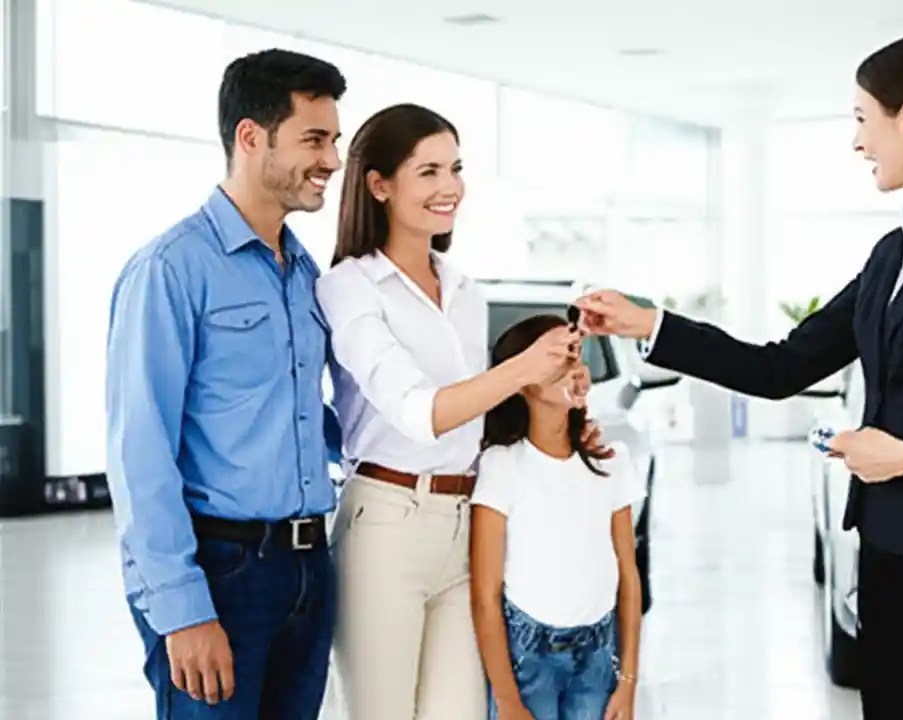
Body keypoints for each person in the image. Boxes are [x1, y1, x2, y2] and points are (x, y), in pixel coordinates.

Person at [573, 34, 903, 720]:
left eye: (863, 119)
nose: (857, 142)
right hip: (888, 555)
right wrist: (651, 325)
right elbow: (781, 366)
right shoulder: (892, 252)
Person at [316, 103, 607, 719]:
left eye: (455, 168)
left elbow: (480, 422)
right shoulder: (351, 286)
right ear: (379, 184)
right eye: (428, 172)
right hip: (385, 527)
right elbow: (420, 412)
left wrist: (569, 436)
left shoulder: (464, 289)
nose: (449, 187)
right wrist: (522, 366)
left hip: (466, 523)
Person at [105, 49, 346, 719]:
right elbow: (139, 452)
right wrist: (182, 611)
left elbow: (306, 418)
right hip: (220, 574)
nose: (331, 159)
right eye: (314, 139)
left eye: (334, 139)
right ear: (250, 137)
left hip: (306, 570)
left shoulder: (302, 274)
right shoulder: (171, 269)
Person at [470, 315, 645, 720]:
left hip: (599, 657)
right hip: (528, 660)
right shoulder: (502, 465)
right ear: (524, 380)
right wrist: (509, 701)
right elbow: (485, 597)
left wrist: (629, 682)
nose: (576, 367)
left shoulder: (610, 462)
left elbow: (628, 576)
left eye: (576, 355)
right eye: (559, 358)